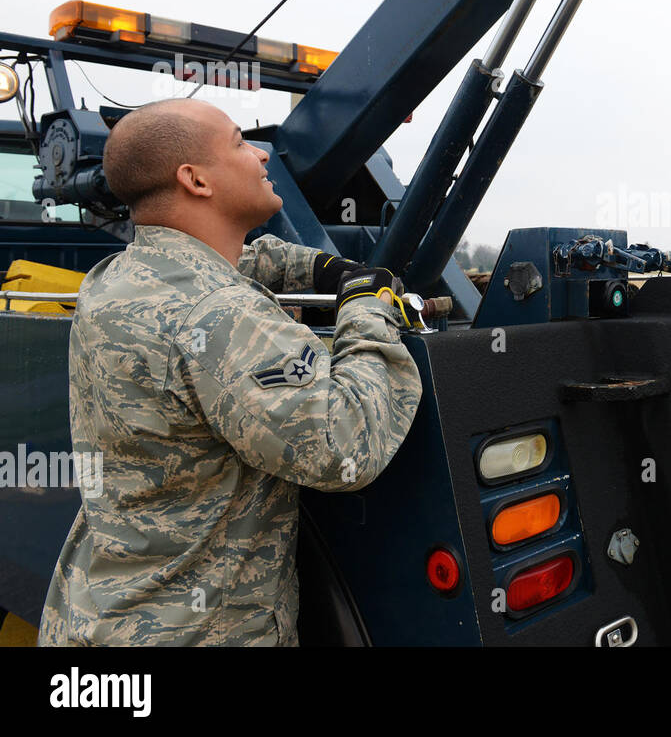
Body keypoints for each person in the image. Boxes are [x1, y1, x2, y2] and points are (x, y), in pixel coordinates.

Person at [37, 98, 421, 646]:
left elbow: (231, 261)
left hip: (106, 617)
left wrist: (321, 268)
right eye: (240, 142)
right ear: (195, 180)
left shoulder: (118, 277)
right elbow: (345, 444)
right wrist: (367, 309)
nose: (263, 154)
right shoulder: (220, 315)